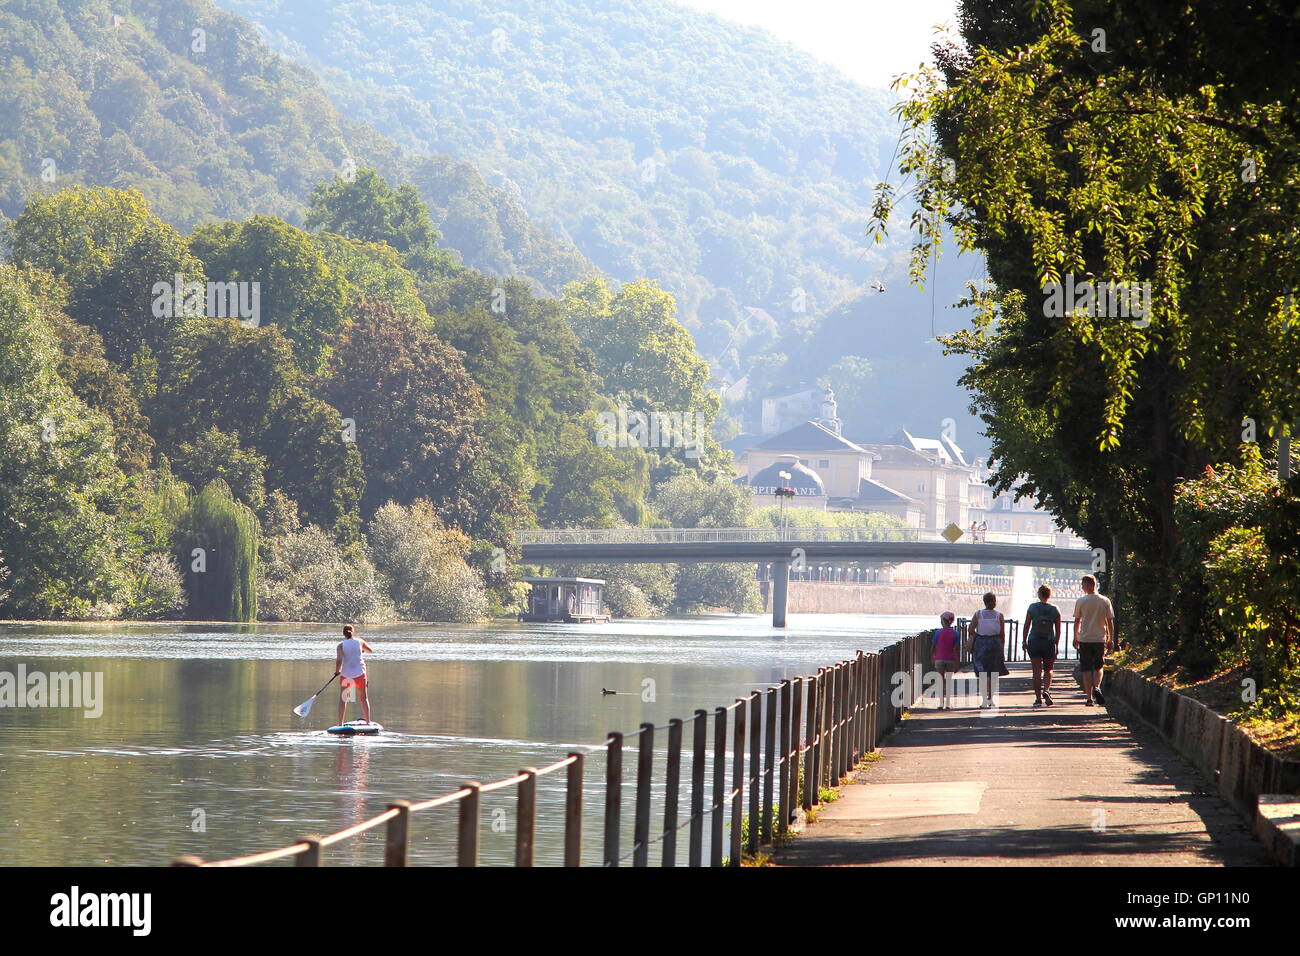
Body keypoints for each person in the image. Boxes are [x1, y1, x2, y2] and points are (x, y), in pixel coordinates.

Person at [1073, 574, 1114, 706]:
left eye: (1083, 585)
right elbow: (1109, 621)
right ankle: (1097, 687)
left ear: (1090, 585)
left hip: (1085, 639)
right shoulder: (1105, 600)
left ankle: (1089, 698)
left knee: (1085, 669)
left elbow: (1077, 621)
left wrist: (1075, 637)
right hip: (1099, 639)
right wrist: (1110, 638)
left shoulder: (1081, 601)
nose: (1082, 587)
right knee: (1098, 667)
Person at [1022, 585, 1062, 707]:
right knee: (1048, 669)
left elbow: (1027, 625)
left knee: (1036, 671)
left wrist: (1024, 641)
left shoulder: (1032, 607)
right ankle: (1046, 690)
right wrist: (1056, 644)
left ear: (1039, 594)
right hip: (1048, 642)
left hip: (1034, 641)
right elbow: (1058, 630)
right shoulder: (1055, 610)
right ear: (1049, 595)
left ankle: (1038, 699)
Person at [968, 592, 1008, 707]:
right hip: (995, 643)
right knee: (994, 673)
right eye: (993, 600)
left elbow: (970, 629)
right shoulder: (999, 615)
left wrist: (978, 636)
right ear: (993, 602)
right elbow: (1002, 634)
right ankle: (990, 698)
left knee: (982, 673)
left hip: (981, 644)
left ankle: (985, 699)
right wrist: (1002, 647)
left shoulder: (978, 614)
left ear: (984, 602)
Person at [334, 625, 375, 725]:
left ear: (343, 634)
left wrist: (337, 671)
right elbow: (370, 650)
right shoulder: (360, 641)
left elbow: (339, 659)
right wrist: (361, 650)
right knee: (363, 698)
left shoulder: (340, 645)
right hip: (360, 674)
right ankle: (368, 722)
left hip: (346, 675)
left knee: (344, 700)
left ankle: (340, 723)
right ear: (353, 632)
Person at [931, 611, 961, 709]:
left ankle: (940, 703)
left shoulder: (938, 632)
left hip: (939, 659)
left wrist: (932, 656)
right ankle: (947, 703)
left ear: (944, 621)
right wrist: (957, 663)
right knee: (948, 681)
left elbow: (933, 647)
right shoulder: (956, 634)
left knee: (940, 681)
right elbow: (956, 649)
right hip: (951, 660)